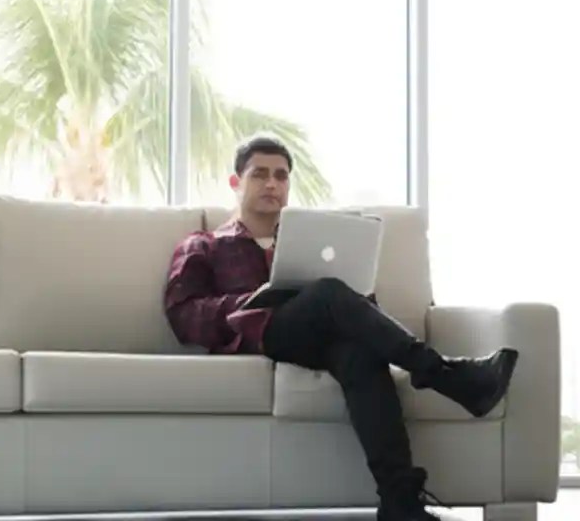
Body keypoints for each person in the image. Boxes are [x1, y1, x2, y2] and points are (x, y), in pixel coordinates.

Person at [163, 135, 519, 521]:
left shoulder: (313, 241)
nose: (272, 184)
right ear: (236, 183)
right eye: (259, 174)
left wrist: (357, 306)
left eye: (281, 177)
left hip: (320, 334)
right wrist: (251, 302)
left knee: (360, 355)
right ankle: (446, 374)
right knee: (328, 291)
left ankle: (400, 503)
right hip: (261, 333)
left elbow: (360, 305)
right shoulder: (206, 243)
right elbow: (183, 312)